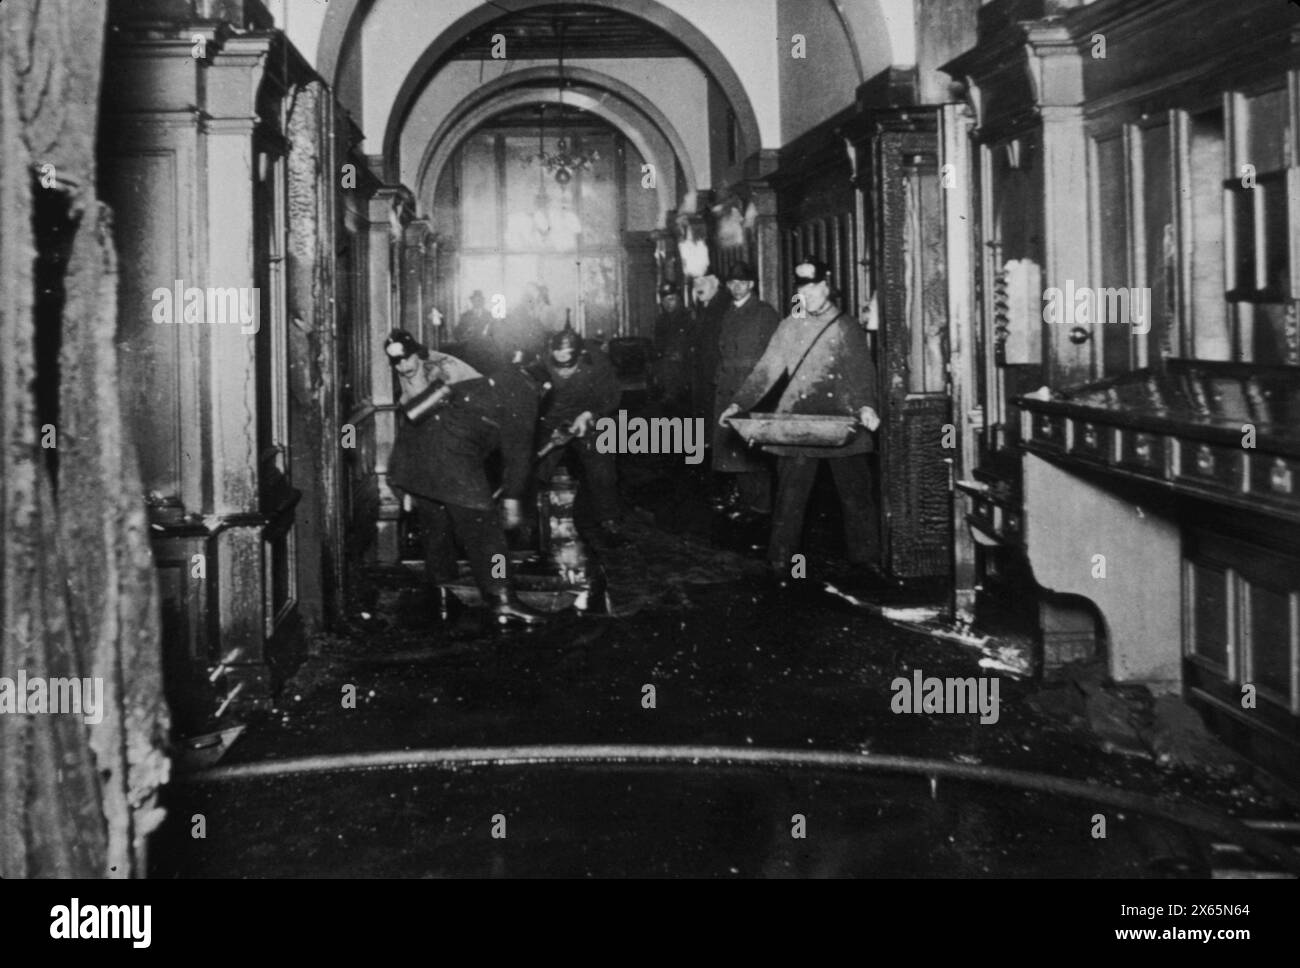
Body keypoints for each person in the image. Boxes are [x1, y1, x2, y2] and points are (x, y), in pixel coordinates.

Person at [719, 259, 882, 586]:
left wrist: (867, 406)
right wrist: (738, 403)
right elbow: (765, 371)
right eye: (801, 288)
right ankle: (781, 562)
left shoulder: (844, 326)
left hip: (841, 421)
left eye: (812, 286)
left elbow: (862, 373)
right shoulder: (789, 327)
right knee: (790, 497)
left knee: (856, 496)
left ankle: (866, 563)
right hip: (797, 421)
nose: (806, 294)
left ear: (826, 286)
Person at [383, 329, 546, 626]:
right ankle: (503, 598)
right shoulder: (525, 395)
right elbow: (518, 452)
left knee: (437, 527)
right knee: (488, 535)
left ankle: (442, 593)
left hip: (410, 458)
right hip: (450, 458)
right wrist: (511, 497)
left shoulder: (492, 379)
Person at [534, 321, 627, 547]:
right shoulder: (539, 367)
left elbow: (612, 396)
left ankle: (609, 521)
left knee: (602, 472)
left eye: (568, 361)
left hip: (587, 418)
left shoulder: (597, 363)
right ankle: (531, 523)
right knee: (535, 471)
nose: (563, 368)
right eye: (558, 358)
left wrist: (590, 415)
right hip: (552, 421)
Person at [712, 262, 780, 517]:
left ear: (751, 284)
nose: (735, 286)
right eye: (731, 282)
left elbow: (775, 356)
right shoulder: (728, 312)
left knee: (752, 448)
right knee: (732, 447)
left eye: (741, 282)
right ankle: (744, 500)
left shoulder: (764, 313)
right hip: (728, 387)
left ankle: (761, 507)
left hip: (753, 387)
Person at [690, 271, 729, 427]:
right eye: (695, 283)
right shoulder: (702, 307)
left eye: (703, 282)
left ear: (715, 284)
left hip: (716, 376)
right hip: (704, 375)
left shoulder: (723, 307)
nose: (698, 287)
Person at [652, 282, 692, 413]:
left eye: (671, 299)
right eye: (664, 300)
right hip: (666, 380)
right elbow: (657, 350)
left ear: (679, 299)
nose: (667, 303)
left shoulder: (689, 318)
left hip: (685, 379)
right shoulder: (660, 321)